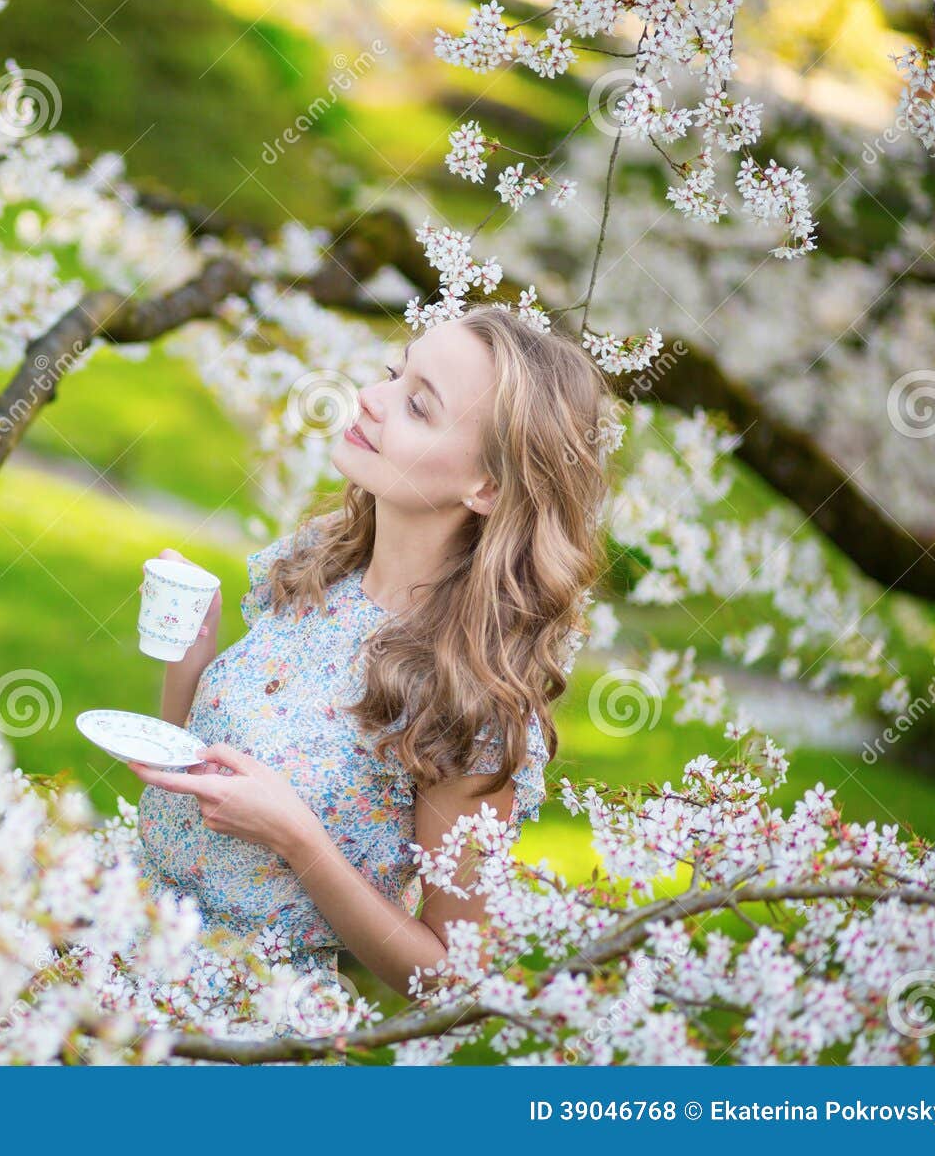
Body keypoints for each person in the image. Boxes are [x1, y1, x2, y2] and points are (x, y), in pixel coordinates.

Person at [128, 305, 612, 1008]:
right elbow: (189, 783)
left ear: (488, 487)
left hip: (234, 1015)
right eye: (394, 372)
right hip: (119, 932)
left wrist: (300, 840)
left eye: (417, 404)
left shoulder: (469, 705)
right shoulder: (311, 565)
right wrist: (191, 659)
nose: (371, 398)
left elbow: (448, 976)